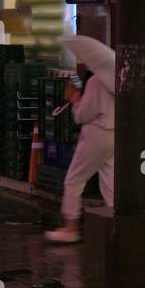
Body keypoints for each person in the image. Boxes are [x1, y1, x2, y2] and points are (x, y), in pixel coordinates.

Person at [45, 72, 114, 243]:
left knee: (74, 180)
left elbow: (82, 115)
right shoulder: (115, 78)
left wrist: (75, 98)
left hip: (96, 135)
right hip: (113, 135)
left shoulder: (95, 81)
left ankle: (71, 228)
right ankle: (119, 224)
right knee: (109, 182)